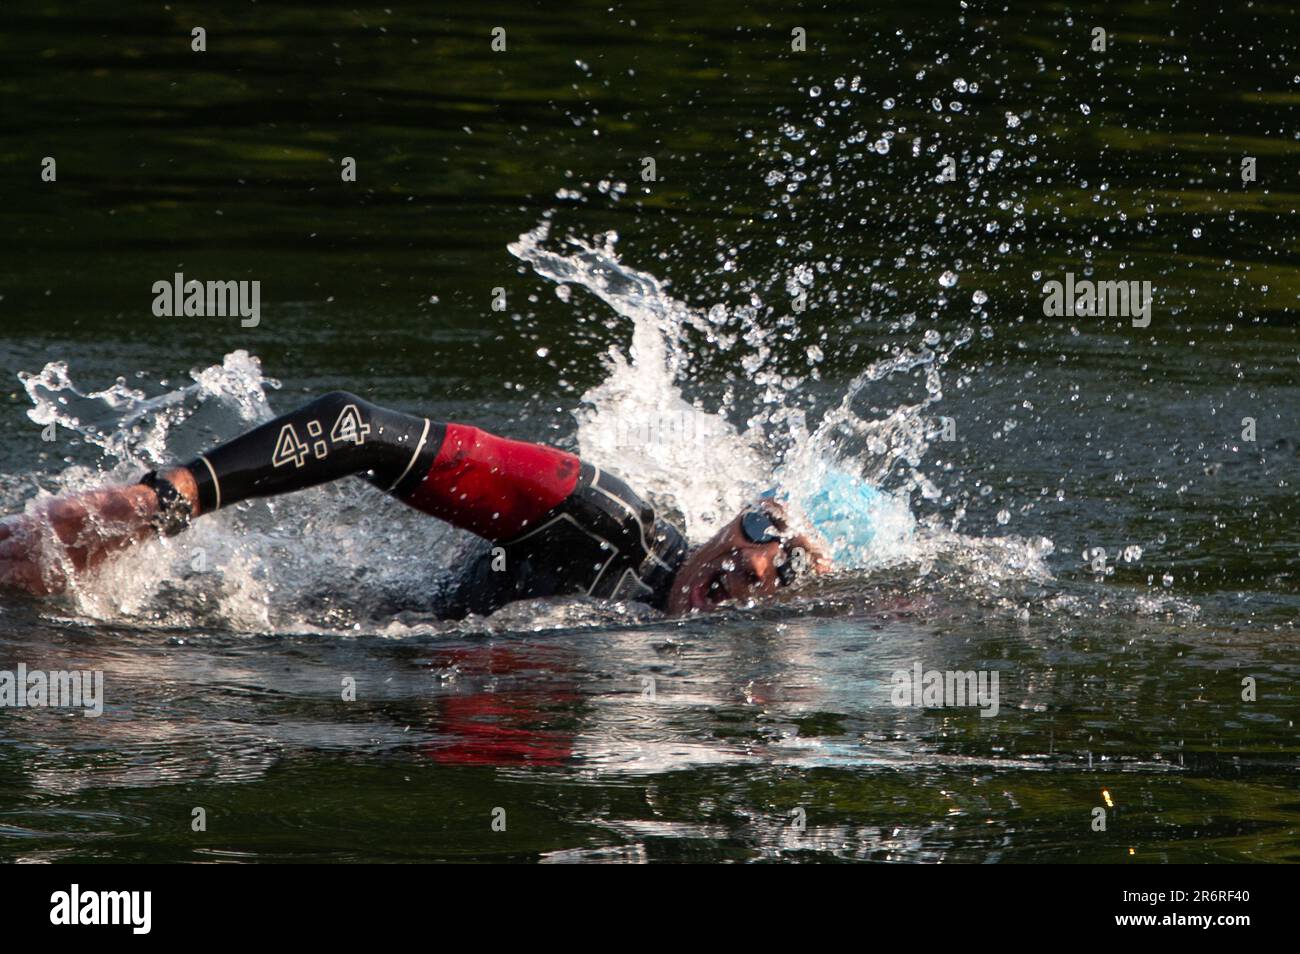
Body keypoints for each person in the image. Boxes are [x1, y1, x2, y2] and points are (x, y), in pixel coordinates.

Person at [0, 391, 827, 616]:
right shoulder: (602, 525)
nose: (758, 562)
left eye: (785, 568)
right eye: (763, 528)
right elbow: (349, 426)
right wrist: (167, 499)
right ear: (735, 514)